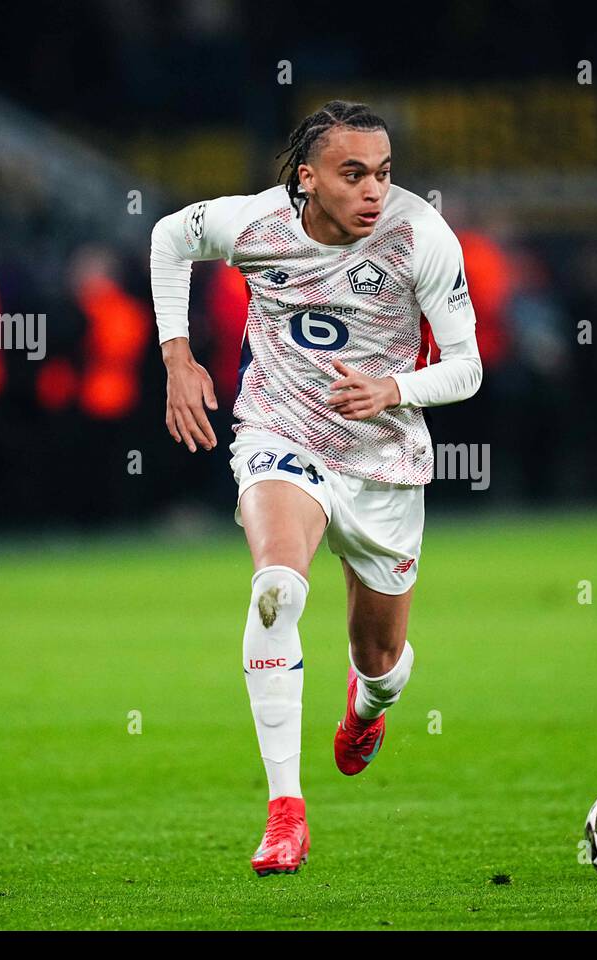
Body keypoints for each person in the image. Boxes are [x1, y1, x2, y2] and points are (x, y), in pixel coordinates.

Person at [149, 100, 482, 875]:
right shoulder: (256, 225)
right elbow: (170, 237)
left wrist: (392, 389)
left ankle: (366, 708)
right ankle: (285, 810)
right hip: (281, 434)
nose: (375, 191)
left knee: (381, 656)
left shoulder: (420, 237)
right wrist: (177, 356)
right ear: (308, 179)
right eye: (354, 173)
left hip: (384, 459)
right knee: (276, 589)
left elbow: (466, 367)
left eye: (385, 173)